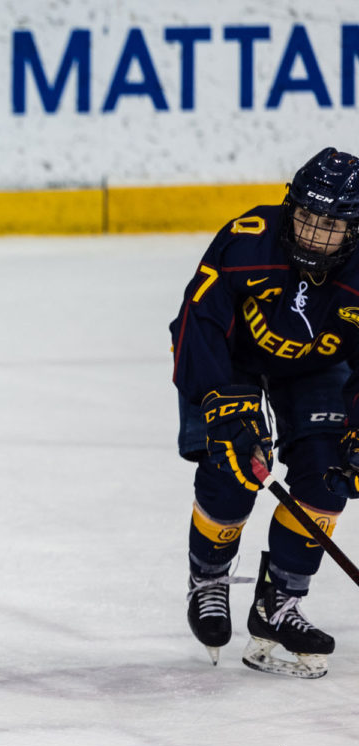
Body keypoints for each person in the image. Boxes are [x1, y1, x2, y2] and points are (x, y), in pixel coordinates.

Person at [170, 146, 359, 679]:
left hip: (317, 366)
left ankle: (278, 605)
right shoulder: (247, 239)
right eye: (306, 216)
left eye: (331, 224)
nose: (314, 233)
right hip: (229, 363)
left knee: (328, 478)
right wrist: (222, 404)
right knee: (231, 466)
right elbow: (197, 320)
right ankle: (208, 578)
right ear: (290, 205)